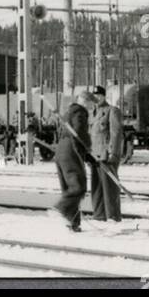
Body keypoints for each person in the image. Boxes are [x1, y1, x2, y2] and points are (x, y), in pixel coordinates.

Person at [51, 90, 94, 233]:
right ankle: (61, 208)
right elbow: (79, 132)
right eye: (90, 102)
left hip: (62, 150)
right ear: (84, 100)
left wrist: (86, 155)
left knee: (70, 187)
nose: (91, 106)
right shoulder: (79, 112)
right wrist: (87, 150)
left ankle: (73, 223)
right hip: (70, 150)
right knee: (79, 186)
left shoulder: (69, 111)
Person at [88, 86, 124, 223]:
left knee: (110, 188)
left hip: (106, 155)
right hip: (95, 156)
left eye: (99, 95)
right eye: (94, 96)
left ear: (104, 96)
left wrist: (113, 154)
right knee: (96, 187)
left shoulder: (112, 111)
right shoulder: (92, 113)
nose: (96, 98)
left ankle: (113, 216)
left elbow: (116, 134)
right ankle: (99, 215)